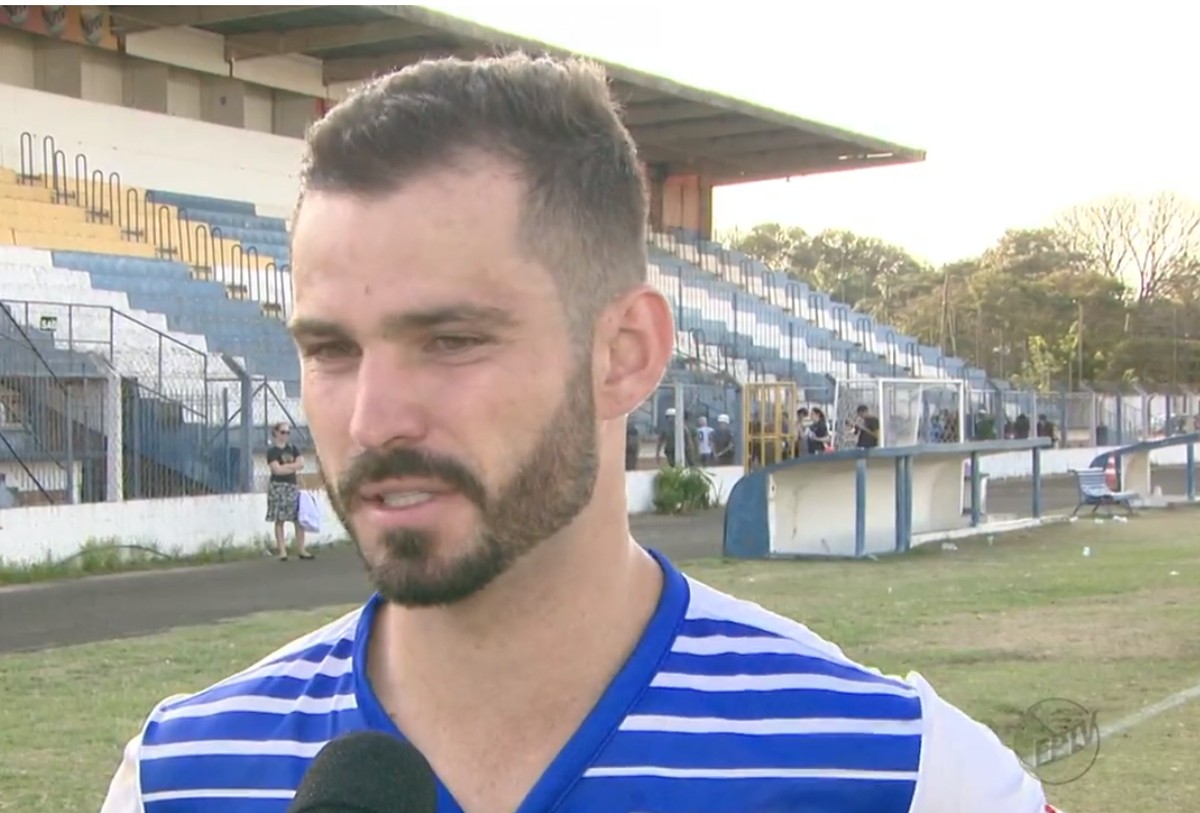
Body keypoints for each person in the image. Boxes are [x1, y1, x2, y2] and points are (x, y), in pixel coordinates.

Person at [99, 53, 1055, 813]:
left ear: (625, 352)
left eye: (451, 339)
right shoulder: (182, 778)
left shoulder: (897, 777)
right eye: (332, 349)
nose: (371, 417)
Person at [264, 421, 313, 561]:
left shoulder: (293, 448)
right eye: (283, 432)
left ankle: (302, 549)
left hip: (292, 485)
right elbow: (276, 470)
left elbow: (302, 464)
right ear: (276, 433)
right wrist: (293, 466)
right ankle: (282, 551)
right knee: (280, 519)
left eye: (287, 432)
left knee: (298, 518)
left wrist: (287, 467)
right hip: (278, 487)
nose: (285, 435)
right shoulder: (272, 451)